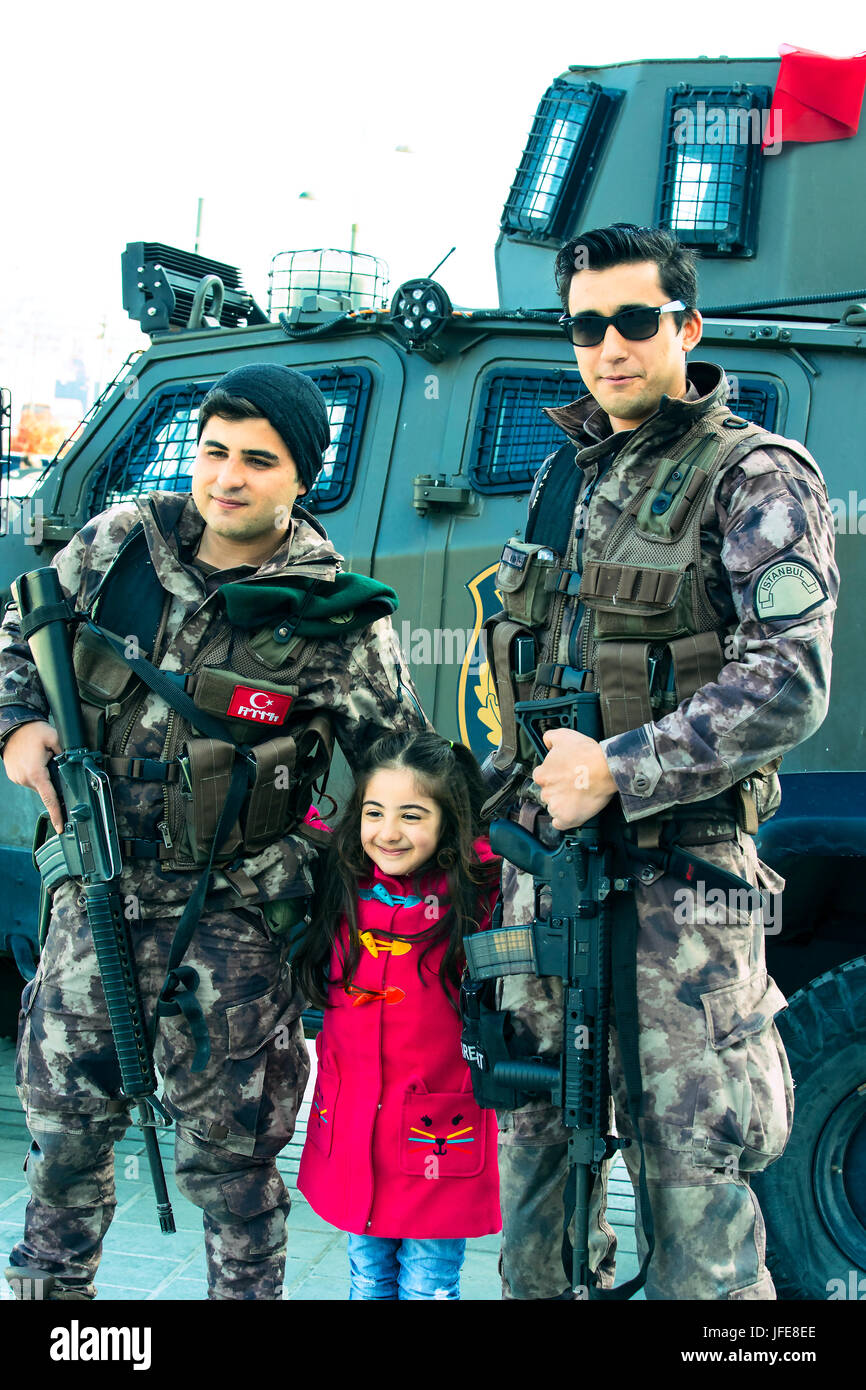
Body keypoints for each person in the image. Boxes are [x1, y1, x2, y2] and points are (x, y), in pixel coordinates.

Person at [0, 362, 427, 1301]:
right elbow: (18, 635)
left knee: (234, 1168)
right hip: (97, 890)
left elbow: (401, 765)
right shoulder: (122, 543)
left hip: (235, 918)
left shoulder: (335, 613)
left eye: (258, 461)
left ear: (301, 477)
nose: (227, 477)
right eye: (214, 452)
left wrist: (393, 895)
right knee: (63, 1136)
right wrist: (18, 724)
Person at [482, 224, 838, 1300]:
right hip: (545, 899)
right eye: (586, 326)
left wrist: (621, 768)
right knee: (538, 1218)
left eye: (635, 321)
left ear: (686, 326)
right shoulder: (561, 478)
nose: (609, 346)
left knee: (699, 1231)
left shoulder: (752, 475)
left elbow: (788, 679)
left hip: (678, 902)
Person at [294, 731, 501, 1300]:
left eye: (412, 815)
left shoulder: (479, 895)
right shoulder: (339, 883)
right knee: (367, 1276)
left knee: (430, 1284)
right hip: (355, 1123)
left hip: (437, 1131)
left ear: (448, 821)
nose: (388, 832)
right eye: (374, 812)